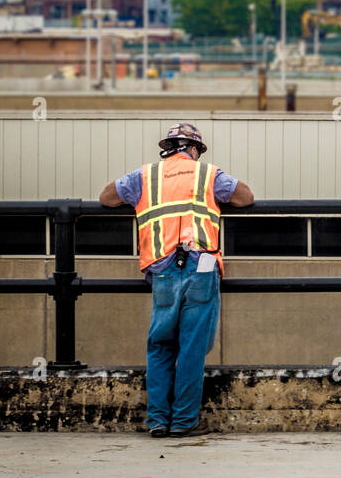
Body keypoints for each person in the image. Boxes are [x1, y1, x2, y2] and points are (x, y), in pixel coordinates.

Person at [99, 122, 254, 437]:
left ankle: (157, 421)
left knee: (160, 346)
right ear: (194, 149)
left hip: (163, 269)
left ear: (167, 148)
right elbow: (245, 197)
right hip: (201, 265)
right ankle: (183, 422)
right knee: (192, 348)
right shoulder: (208, 174)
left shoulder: (145, 176)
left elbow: (106, 198)